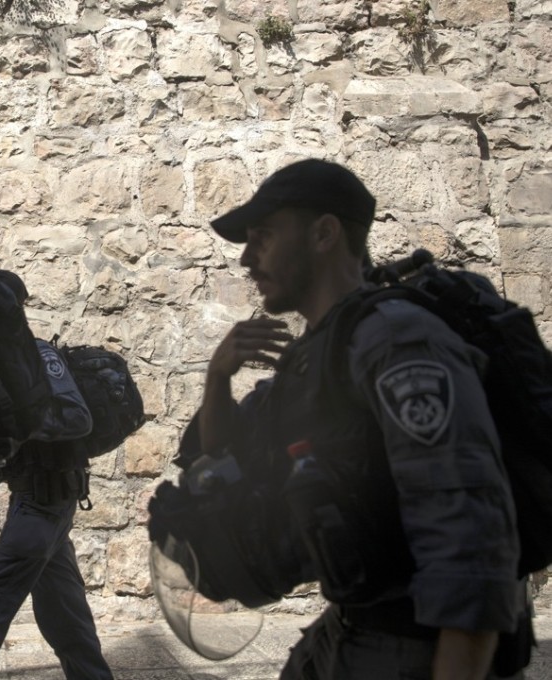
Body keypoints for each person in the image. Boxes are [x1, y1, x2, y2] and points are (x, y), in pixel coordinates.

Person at [190, 158, 526, 679]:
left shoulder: (395, 339)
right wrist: (218, 378)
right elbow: (226, 456)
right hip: (353, 627)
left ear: (324, 234)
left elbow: (472, 534)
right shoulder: (319, 351)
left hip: (416, 645)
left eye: (264, 237)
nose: (247, 261)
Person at [0, 270, 114, 680]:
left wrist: (17, 422)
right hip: (37, 504)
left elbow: (78, 419)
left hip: (45, 505)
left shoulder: (38, 357)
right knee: (64, 616)